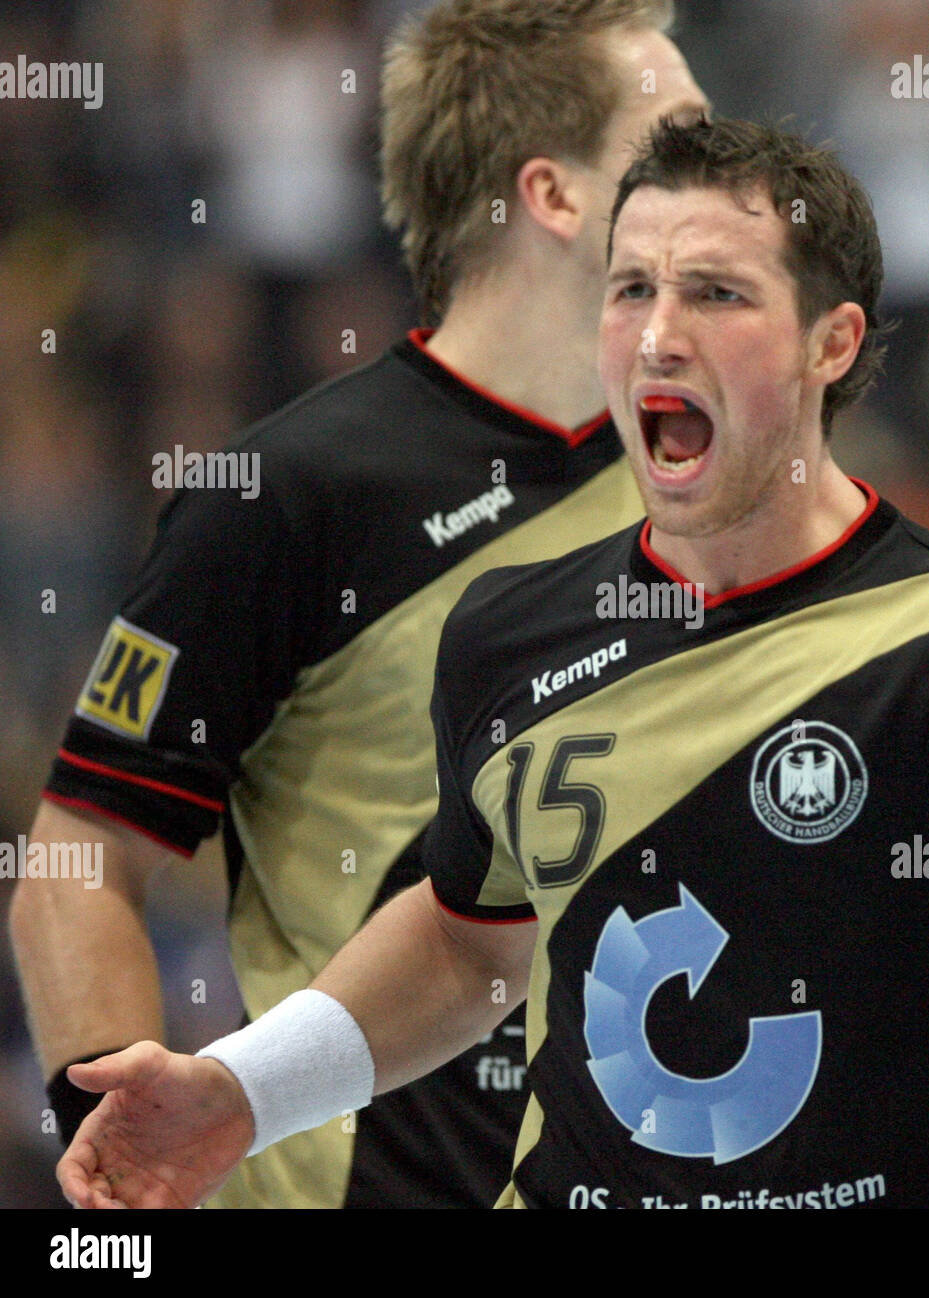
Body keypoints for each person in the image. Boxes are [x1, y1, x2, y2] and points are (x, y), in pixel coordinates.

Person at [56, 116, 929, 1211]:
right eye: (631, 288)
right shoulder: (506, 628)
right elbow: (475, 936)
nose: (659, 333)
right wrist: (246, 1088)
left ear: (830, 343)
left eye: (717, 292)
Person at [13, 0, 709, 1209]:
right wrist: (120, 1160)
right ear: (551, 196)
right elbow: (82, 853)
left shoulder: (721, 470)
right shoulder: (296, 492)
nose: (732, 183)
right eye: (682, 144)